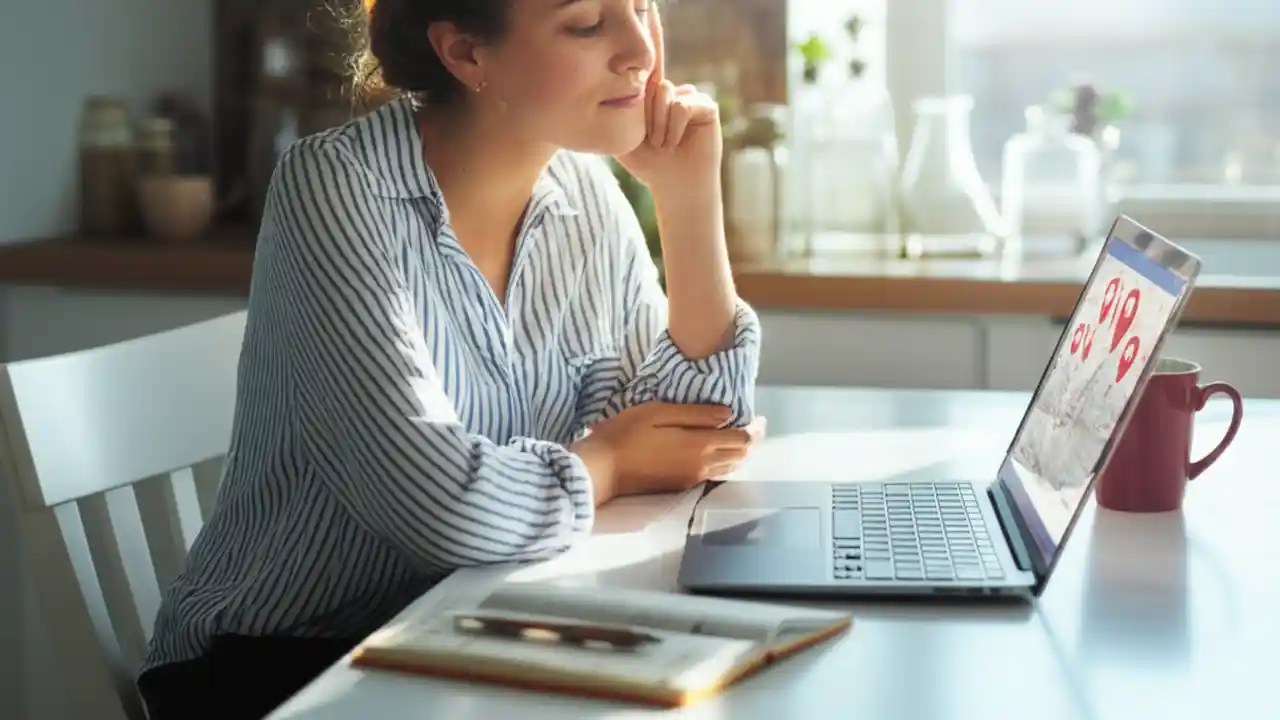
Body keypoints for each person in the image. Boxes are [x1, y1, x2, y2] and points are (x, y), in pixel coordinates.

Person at [135, 0, 761, 717]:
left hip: (470, 631)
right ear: (467, 55)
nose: (640, 51)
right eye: (588, 23)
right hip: (279, 665)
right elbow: (441, 508)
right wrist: (610, 462)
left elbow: (699, 437)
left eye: (643, 6)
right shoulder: (335, 187)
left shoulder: (588, 194)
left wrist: (688, 201)